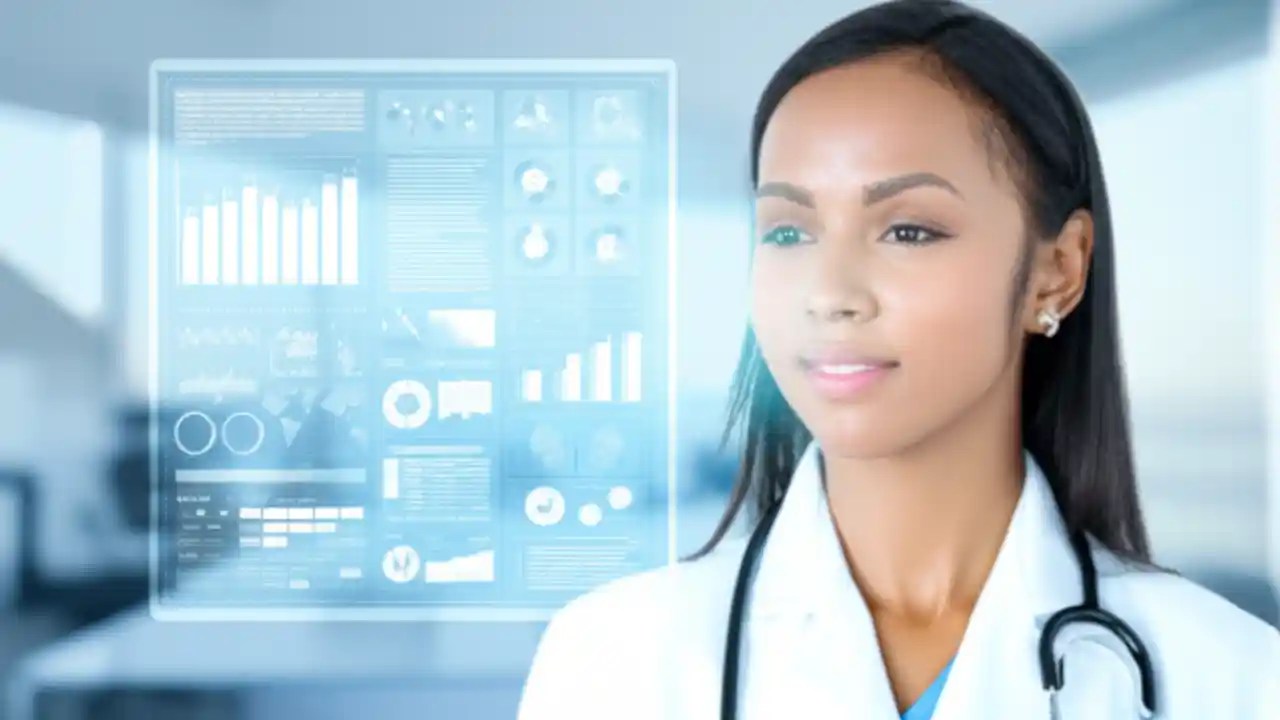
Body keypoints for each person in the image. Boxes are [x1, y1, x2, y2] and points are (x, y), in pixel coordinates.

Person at [516, 1, 1280, 717]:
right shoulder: (610, 662)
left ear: (1059, 270)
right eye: (788, 232)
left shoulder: (1229, 677)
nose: (830, 293)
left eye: (907, 230)